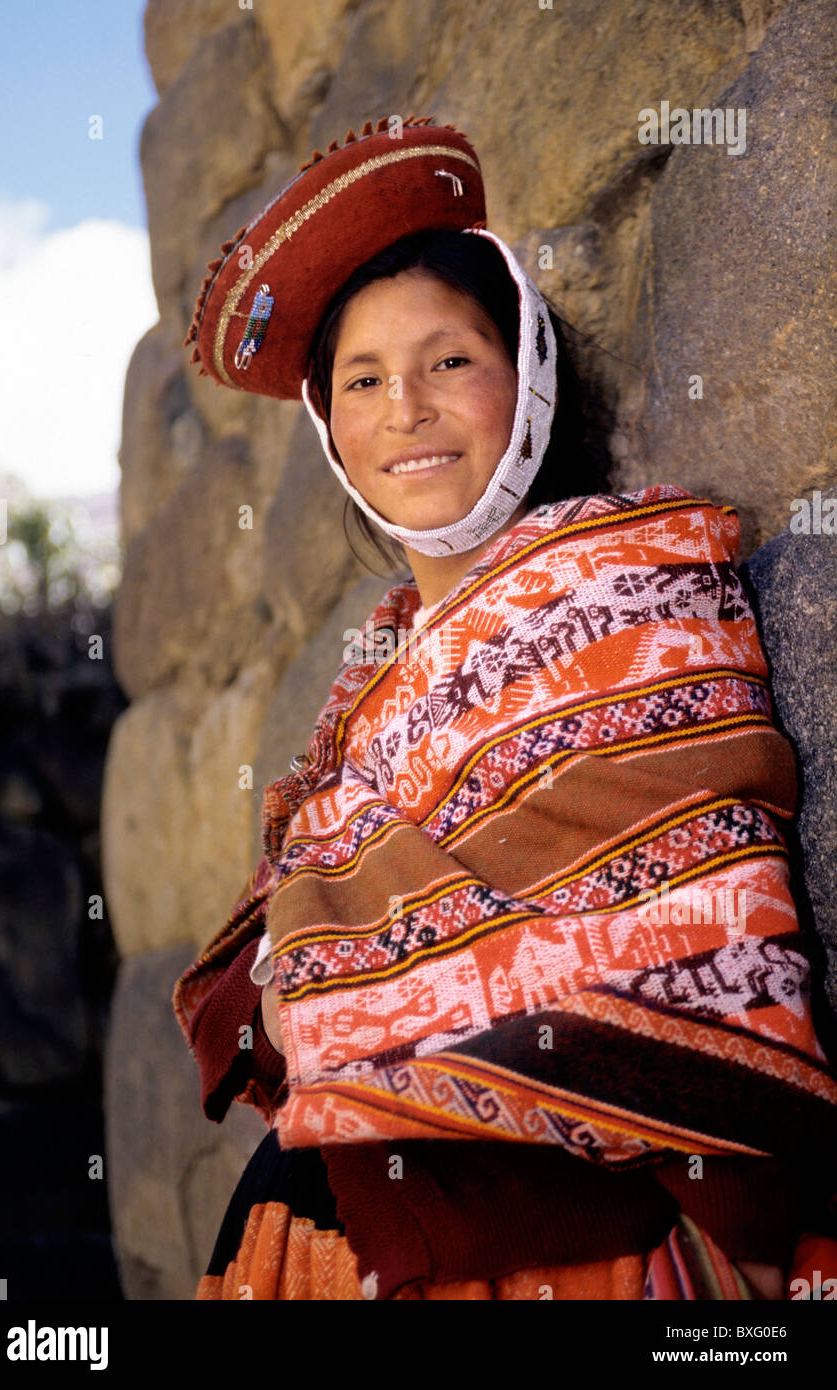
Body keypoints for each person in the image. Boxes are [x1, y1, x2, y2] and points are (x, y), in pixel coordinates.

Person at [173, 115, 837, 1301]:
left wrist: (323, 968)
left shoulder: (629, 589)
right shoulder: (370, 682)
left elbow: (678, 909)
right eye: (364, 380)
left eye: (449, 361)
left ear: (525, 369)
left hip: (594, 1231)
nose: (406, 409)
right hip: (360, 1226)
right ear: (331, 429)